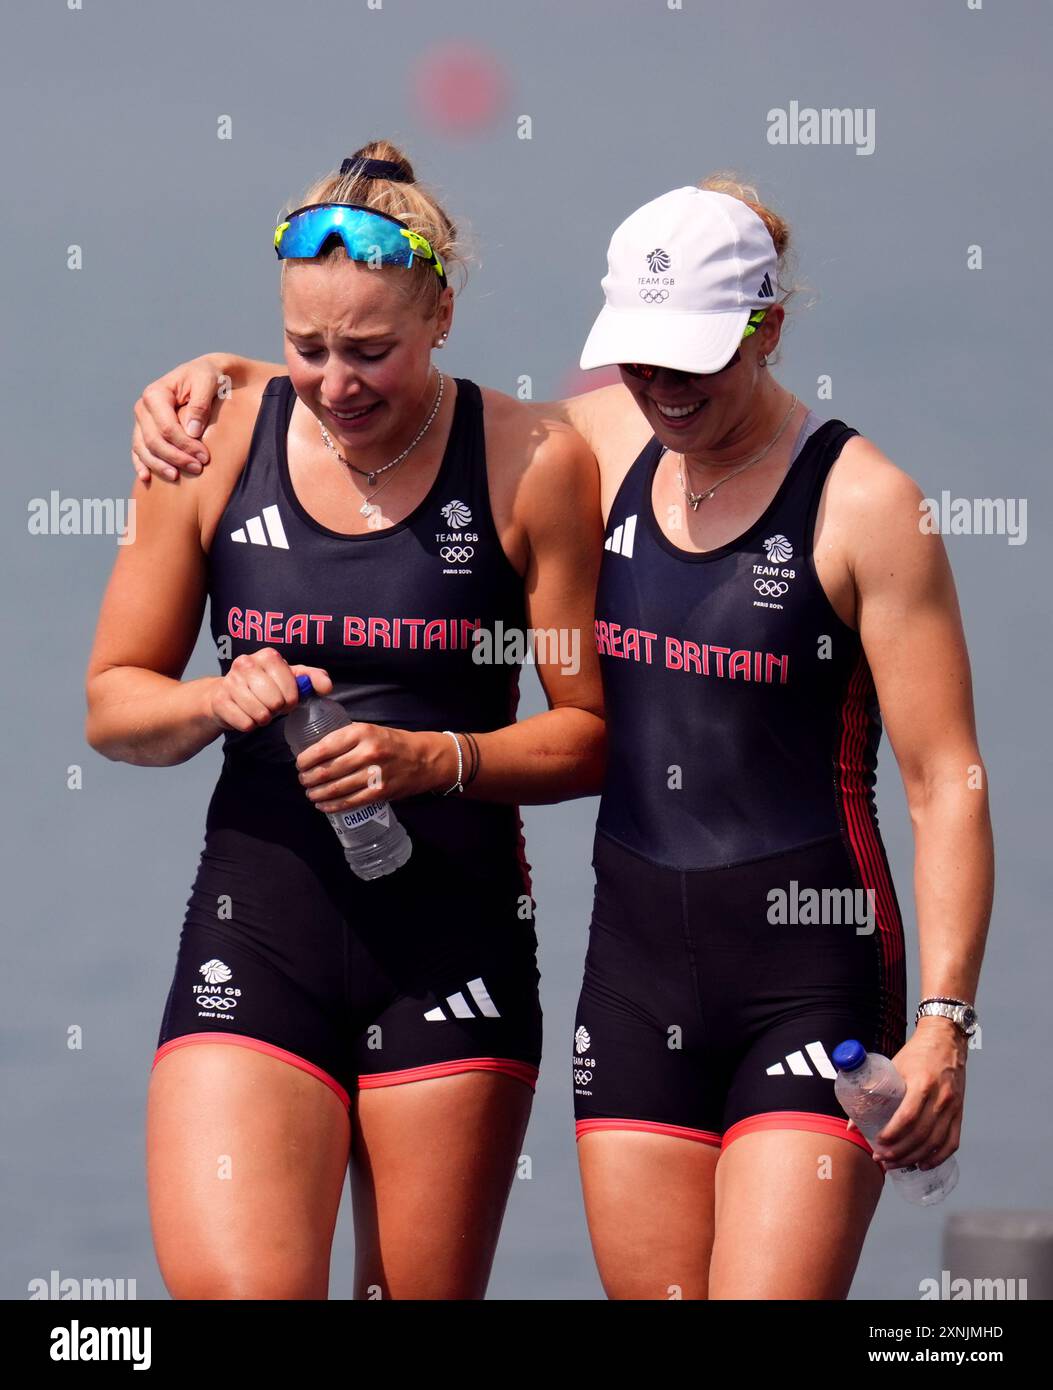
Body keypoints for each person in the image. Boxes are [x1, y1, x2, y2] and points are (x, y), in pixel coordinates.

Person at [130, 174, 993, 1301]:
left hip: (809, 977)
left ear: (766, 329)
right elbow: (403, 395)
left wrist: (944, 1026)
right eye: (638, 358)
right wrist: (222, 376)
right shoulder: (599, 440)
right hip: (632, 990)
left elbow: (946, 783)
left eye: (689, 362)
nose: (661, 389)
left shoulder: (868, 504)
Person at [86, 142, 605, 1301]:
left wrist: (443, 758)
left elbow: (589, 732)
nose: (336, 382)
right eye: (306, 349)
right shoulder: (208, 441)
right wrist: (216, 698)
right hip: (258, 927)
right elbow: (114, 701)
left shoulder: (534, 464)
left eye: (372, 351)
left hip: (452, 948)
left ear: (443, 317)